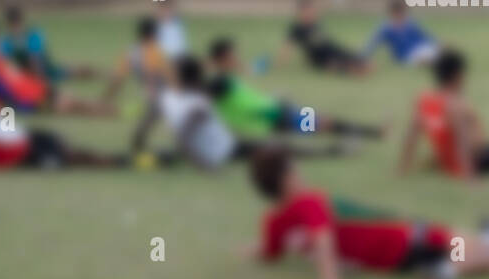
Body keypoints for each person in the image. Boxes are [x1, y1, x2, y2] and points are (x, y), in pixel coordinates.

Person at [246, 145, 489, 279]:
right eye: (296, 170)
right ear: (288, 179)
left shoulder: (274, 221)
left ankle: (479, 241)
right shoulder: (308, 201)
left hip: (398, 244)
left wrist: (251, 250)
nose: (301, 174)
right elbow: (323, 239)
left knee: (463, 238)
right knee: (487, 255)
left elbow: (270, 251)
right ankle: (446, 269)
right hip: (404, 240)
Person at [0, 46, 128, 180]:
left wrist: (12, 126)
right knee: (61, 153)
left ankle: (109, 160)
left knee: (56, 140)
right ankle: (114, 161)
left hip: (14, 140)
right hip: (5, 151)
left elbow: (2, 108)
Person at [132, 57, 343, 170]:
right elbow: (184, 136)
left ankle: (329, 149)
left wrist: (138, 145)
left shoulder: (165, 98)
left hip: (217, 148)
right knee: (279, 148)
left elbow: (146, 126)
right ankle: (329, 151)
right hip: (222, 151)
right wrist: (201, 163)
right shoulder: (199, 103)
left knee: (278, 139)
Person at [206, 38, 384, 140]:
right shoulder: (221, 82)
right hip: (276, 118)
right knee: (323, 123)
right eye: (233, 56)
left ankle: (370, 132)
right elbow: (207, 93)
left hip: (279, 109)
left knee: (322, 121)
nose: (237, 59)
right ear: (223, 59)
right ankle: (372, 132)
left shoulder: (228, 79)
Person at [398, 49, 489, 178]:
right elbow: (462, 141)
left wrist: (402, 167)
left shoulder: (423, 100)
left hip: (447, 161)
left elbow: (411, 136)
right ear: (458, 76)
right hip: (481, 160)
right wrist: (469, 176)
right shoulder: (456, 105)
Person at [0, 21, 114, 117]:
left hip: (34, 89)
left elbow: (14, 76)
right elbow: (0, 89)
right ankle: (106, 109)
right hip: (25, 99)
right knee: (68, 103)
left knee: (69, 98)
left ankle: (104, 107)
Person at [0, 6, 99, 82]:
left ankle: (99, 73)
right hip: (24, 74)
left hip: (46, 69)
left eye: (17, 24)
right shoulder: (6, 41)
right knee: (71, 71)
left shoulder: (33, 35)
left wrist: (39, 80)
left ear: (22, 22)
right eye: (13, 25)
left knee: (74, 72)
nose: (16, 28)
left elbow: (35, 59)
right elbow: (4, 63)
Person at [277, 0, 370, 75]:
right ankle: (354, 69)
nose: (312, 13)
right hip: (319, 58)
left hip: (331, 50)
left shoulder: (316, 24)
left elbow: (326, 41)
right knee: (338, 66)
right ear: (300, 12)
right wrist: (280, 63)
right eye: (308, 11)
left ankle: (361, 64)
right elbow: (287, 46)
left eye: (313, 10)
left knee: (354, 58)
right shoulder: (297, 28)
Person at [103, 17, 174, 105]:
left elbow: (117, 79)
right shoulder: (157, 50)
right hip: (164, 94)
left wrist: (106, 98)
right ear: (154, 34)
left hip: (153, 94)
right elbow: (154, 75)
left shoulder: (131, 52)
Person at [361, 0, 440, 66]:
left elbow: (426, 37)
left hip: (422, 49)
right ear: (391, 14)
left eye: (402, 13)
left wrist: (437, 45)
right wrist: (363, 57)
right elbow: (373, 44)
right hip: (405, 56)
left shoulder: (411, 23)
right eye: (397, 13)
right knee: (424, 58)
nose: (400, 16)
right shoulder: (386, 28)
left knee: (433, 53)